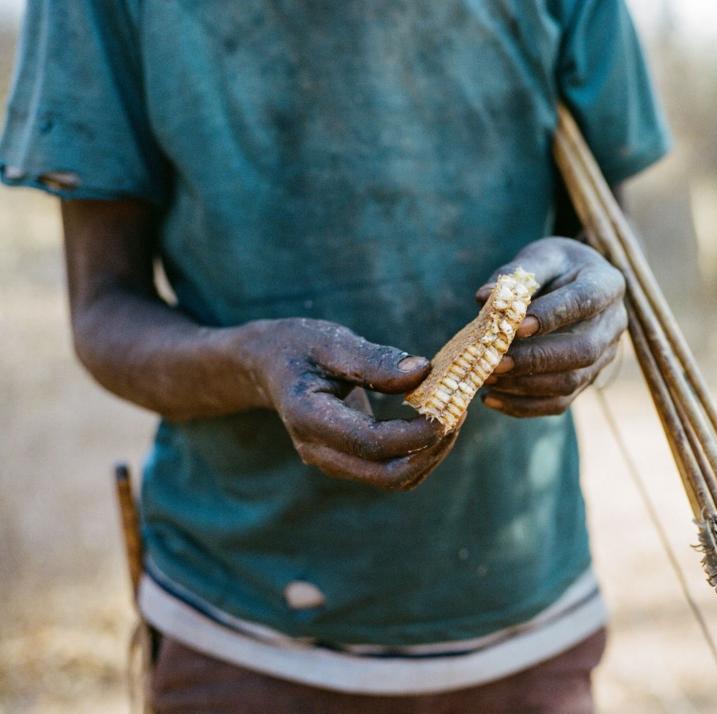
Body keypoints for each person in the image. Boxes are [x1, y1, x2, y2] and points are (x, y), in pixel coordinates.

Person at [1, 1, 668, 711]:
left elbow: (604, 242)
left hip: (525, 619)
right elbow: (102, 308)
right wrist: (252, 362)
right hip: (239, 624)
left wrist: (594, 301)